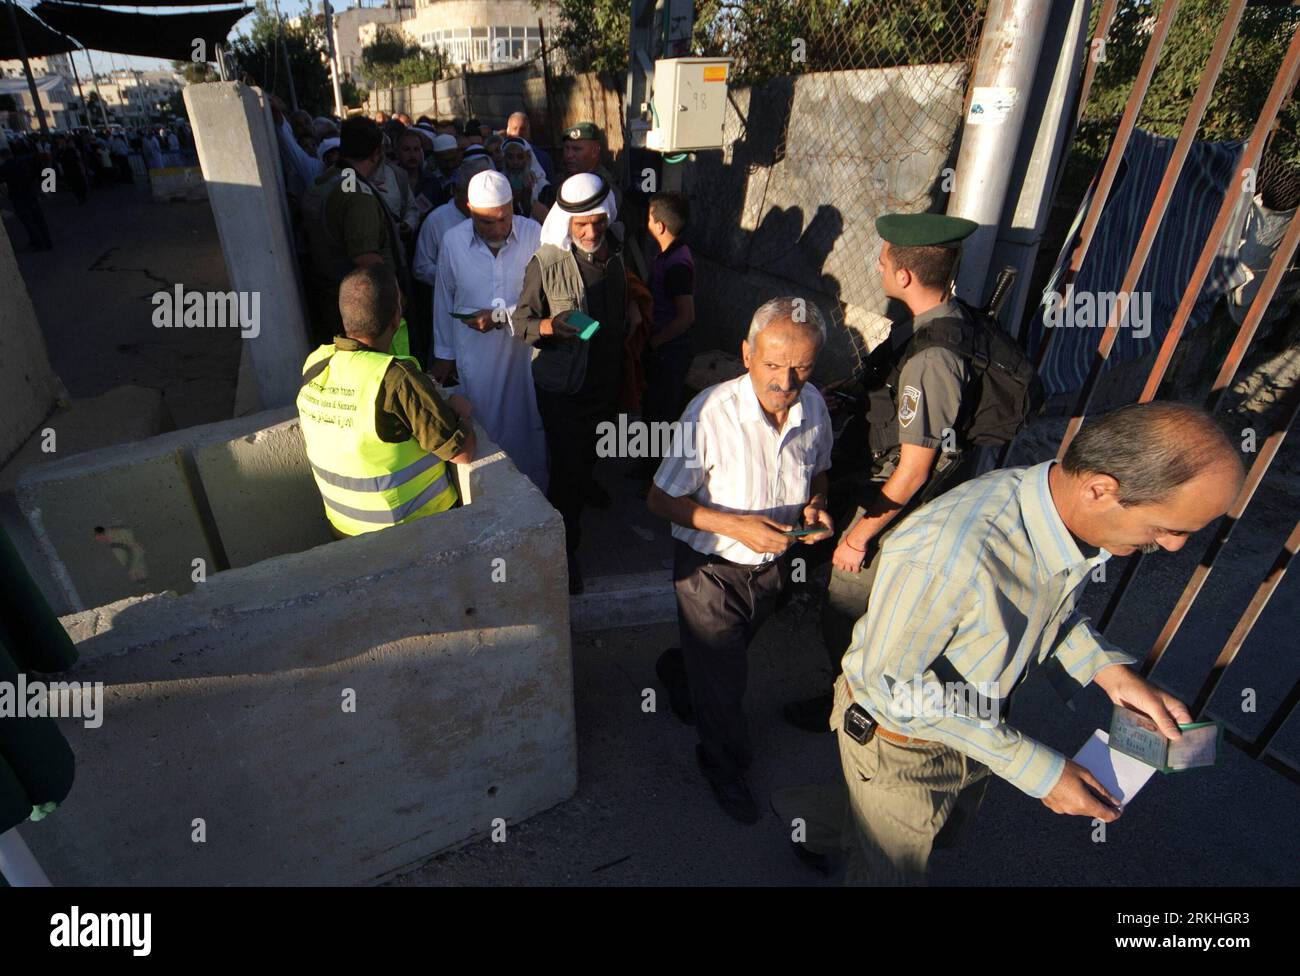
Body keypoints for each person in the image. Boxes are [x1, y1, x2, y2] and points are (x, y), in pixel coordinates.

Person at [814, 401, 1244, 884]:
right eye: (1168, 529)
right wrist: (1036, 769)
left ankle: (818, 821)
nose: (1173, 547)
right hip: (900, 743)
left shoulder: (1061, 515)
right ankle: (819, 822)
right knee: (890, 865)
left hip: (972, 728)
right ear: (1100, 489)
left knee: (924, 828)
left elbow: (1047, 614)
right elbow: (891, 687)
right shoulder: (950, 553)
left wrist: (1109, 672)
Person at [782, 212, 986, 734]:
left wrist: (860, 535)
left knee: (849, 613)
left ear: (903, 277)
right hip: (876, 479)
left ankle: (852, 711)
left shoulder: (932, 357)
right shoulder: (934, 322)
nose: (877, 265)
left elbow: (916, 468)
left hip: (894, 505)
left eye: (882, 259)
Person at [646, 296, 835, 823]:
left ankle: (679, 673)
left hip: (772, 572)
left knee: (717, 663)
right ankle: (724, 767)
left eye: (801, 367)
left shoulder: (814, 404)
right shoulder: (709, 413)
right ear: (746, 354)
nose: (785, 381)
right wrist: (736, 526)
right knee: (727, 685)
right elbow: (660, 499)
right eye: (773, 365)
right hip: (710, 571)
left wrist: (817, 506)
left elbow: (818, 470)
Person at [510, 172, 630, 594]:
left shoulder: (616, 249)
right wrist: (549, 325)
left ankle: (588, 481)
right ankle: (566, 551)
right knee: (565, 470)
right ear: (567, 222)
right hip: (562, 386)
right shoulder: (546, 262)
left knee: (594, 446)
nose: (591, 232)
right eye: (581, 225)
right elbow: (520, 323)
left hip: (604, 375)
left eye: (598, 222)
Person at [296, 266, 475, 538]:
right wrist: (462, 412)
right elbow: (462, 452)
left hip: (344, 531)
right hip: (414, 533)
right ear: (395, 319)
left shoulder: (316, 363)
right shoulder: (397, 380)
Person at [433, 170, 547, 492]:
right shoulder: (453, 242)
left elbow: (544, 298)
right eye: (487, 223)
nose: (498, 229)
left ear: (512, 206)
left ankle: (533, 492)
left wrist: (501, 316)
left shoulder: (534, 234)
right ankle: (493, 493)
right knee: (482, 423)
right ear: (469, 209)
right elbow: (443, 300)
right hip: (474, 355)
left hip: (522, 354)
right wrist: (444, 355)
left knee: (528, 422)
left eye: (504, 219)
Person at [300, 116, 407, 345]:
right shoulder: (357, 195)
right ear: (377, 153)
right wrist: (395, 299)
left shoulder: (330, 180)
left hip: (336, 306)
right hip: (364, 315)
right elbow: (367, 259)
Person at [641, 191, 695, 437]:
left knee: (660, 413)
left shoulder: (676, 265)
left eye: (649, 219)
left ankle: (654, 469)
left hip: (669, 352)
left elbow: (686, 316)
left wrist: (655, 342)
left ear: (660, 226)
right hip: (664, 349)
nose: (647, 224)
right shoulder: (669, 254)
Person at [411, 154, 493, 289]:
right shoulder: (436, 220)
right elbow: (421, 268)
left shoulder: (497, 217)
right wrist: (454, 275)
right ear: (458, 191)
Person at [537, 122, 621, 215]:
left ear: (594, 151)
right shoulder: (558, 182)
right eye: (566, 148)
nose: (569, 155)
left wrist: (545, 217)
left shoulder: (605, 188)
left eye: (577, 149)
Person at [0, 143, 53, 250]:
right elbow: (34, 174)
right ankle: (47, 241)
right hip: (30, 193)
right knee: (39, 218)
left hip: (17, 197)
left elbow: (2, 184)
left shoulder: (4, 168)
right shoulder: (22, 162)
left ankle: (37, 242)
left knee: (28, 221)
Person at [505, 110, 554, 183]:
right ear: (508, 131)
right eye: (515, 128)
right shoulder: (499, 155)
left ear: (529, 132)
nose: (518, 133)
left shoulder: (543, 158)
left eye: (523, 129)